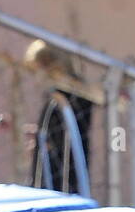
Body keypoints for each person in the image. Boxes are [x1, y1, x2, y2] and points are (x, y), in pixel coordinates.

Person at [23, 39, 95, 194]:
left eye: (40, 69)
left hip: (63, 177)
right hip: (57, 175)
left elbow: (64, 137)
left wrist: (46, 142)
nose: (38, 76)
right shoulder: (58, 97)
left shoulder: (68, 98)